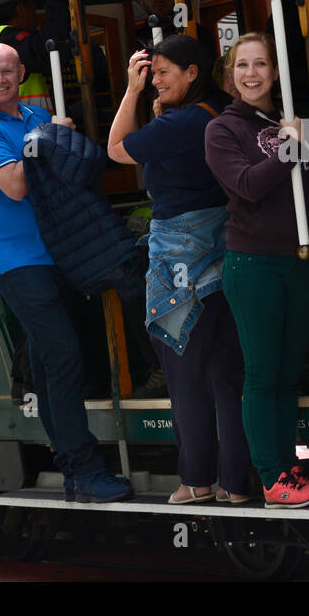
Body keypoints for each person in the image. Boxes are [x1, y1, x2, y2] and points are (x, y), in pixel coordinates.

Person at [0, 42, 132, 504]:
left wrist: (49, 138)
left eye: (8, 71)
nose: (0, 79)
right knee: (63, 357)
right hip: (15, 260)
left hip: (56, 254)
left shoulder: (36, 118)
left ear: (21, 73)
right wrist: (48, 140)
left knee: (51, 361)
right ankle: (83, 469)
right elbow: (15, 185)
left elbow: (70, 165)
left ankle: (76, 472)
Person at [107, 35, 251, 505]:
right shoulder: (218, 112)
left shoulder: (185, 121)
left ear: (193, 73)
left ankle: (195, 480)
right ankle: (235, 483)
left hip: (179, 255)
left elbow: (116, 149)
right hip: (224, 246)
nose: (155, 79)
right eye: (152, 72)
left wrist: (129, 92)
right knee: (225, 371)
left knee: (182, 364)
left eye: (164, 71)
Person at [203, 33, 309, 508]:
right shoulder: (222, 130)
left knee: (287, 374)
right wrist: (289, 147)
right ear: (230, 75)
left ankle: (289, 468)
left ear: (275, 72)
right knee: (261, 373)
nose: (252, 73)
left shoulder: (286, 122)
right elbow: (247, 186)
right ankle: (271, 476)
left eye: (260, 64)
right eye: (243, 66)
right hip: (253, 264)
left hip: (298, 260)